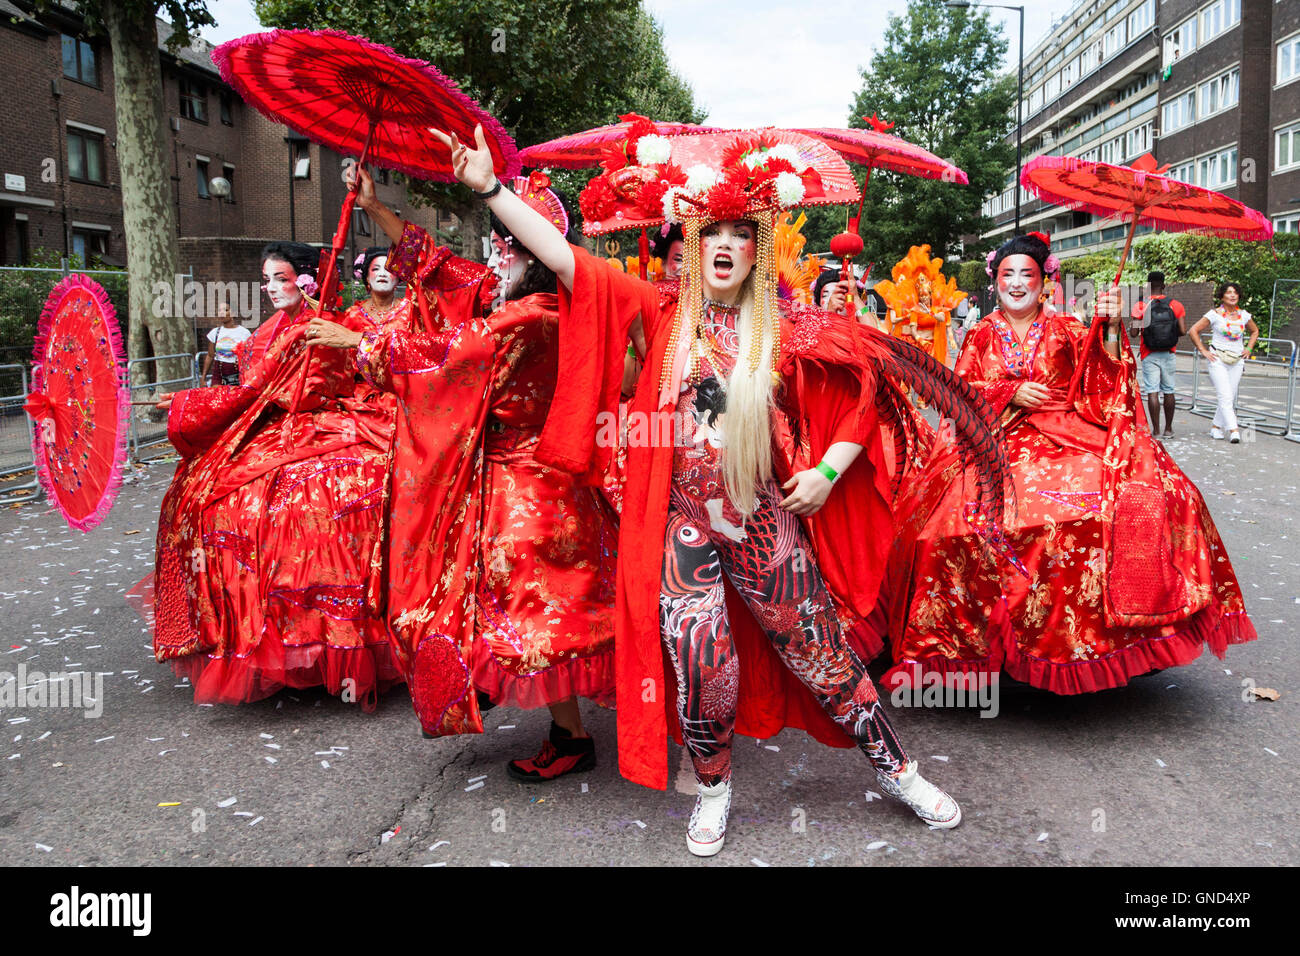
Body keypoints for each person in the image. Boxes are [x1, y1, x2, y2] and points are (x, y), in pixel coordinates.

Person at [433, 124, 1015, 856]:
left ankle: (900, 771)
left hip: (762, 525)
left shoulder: (786, 330)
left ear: (756, 250)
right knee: (703, 666)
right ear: (697, 242)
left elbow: (864, 397)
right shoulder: (659, 313)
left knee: (825, 659)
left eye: (744, 233)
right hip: (680, 530)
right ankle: (712, 789)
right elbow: (563, 258)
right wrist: (489, 189)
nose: (726, 245)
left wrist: (827, 473)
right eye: (715, 232)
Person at [307, 169, 619, 781]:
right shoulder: (517, 296)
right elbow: (441, 269)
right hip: (505, 478)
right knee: (492, 600)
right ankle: (500, 694)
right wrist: (377, 207)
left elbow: (451, 356)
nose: (495, 251)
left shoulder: (537, 314)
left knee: (534, 612)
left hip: (529, 485)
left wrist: (359, 342)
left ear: (534, 248)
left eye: (507, 240)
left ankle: (572, 735)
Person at [887, 233, 1256, 694]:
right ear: (994, 282)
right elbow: (958, 393)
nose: (1018, 284)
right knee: (956, 526)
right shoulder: (981, 333)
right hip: (996, 437)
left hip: (1069, 431)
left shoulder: (1065, 327)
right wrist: (1008, 392)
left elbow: (1104, 377)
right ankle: (977, 647)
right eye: (1009, 275)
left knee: (1149, 494)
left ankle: (1119, 632)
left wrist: (1109, 327)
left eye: (1028, 275)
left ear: (1045, 283)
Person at [148, 242, 400, 706]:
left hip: (333, 421)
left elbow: (265, 390)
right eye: (266, 281)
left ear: (307, 280)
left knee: (314, 506)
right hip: (275, 426)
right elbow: (251, 390)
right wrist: (193, 399)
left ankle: (336, 644)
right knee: (213, 499)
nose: (270, 289)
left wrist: (196, 404)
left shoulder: (330, 324)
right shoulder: (264, 333)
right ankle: (258, 639)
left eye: (280, 279)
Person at [1188, 281, 1258, 444]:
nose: (1232, 295)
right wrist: (1203, 350)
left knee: (1229, 396)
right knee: (1225, 395)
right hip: (1217, 358)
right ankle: (1234, 430)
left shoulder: (1244, 315)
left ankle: (1216, 427)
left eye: (1235, 292)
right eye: (1228, 292)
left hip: (1237, 360)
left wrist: (1249, 348)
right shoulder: (1214, 314)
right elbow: (1193, 330)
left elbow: (1254, 331)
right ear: (1222, 296)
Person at [1131, 271, 1187, 439]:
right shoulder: (1175, 304)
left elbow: (1134, 332)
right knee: (1169, 390)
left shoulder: (1141, 305)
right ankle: (1168, 429)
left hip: (1149, 353)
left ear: (1148, 286)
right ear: (1163, 285)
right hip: (1169, 352)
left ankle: (1155, 430)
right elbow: (1183, 331)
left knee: (1152, 391)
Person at [201, 302, 251, 386]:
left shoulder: (244, 333)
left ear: (233, 313)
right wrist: (203, 377)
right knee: (217, 397)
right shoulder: (215, 332)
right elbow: (210, 356)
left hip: (236, 373)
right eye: (219, 310)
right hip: (218, 372)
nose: (221, 313)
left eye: (225, 310)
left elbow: (250, 356)